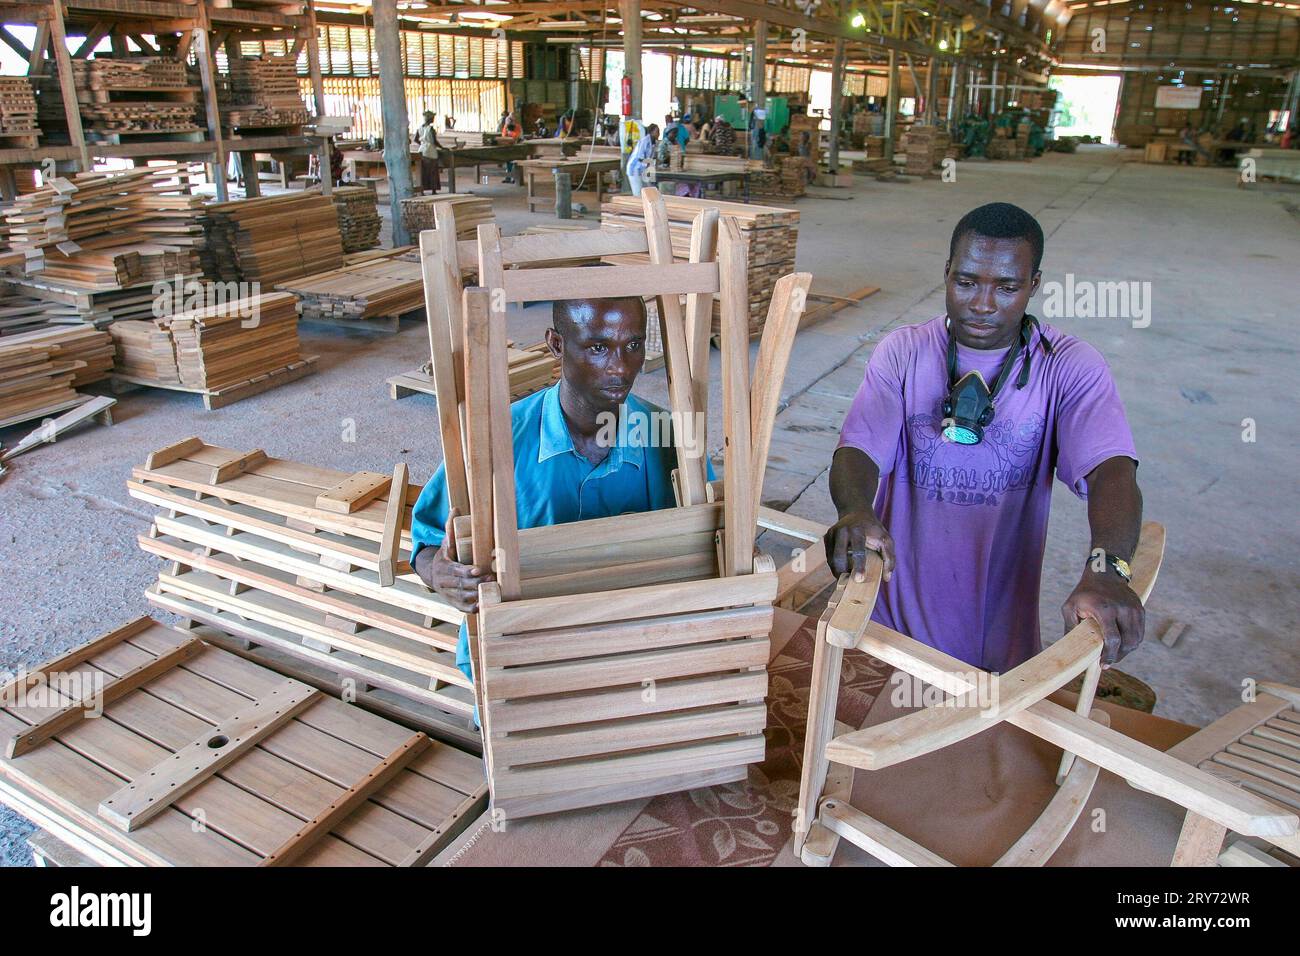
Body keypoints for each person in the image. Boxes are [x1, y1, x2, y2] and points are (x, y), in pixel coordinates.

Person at [825, 202, 1145, 674]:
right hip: (886, 622)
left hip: (997, 638)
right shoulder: (904, 351)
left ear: (1033, 286)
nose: (982, 303)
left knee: (979, 731)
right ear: (948, 272)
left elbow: (1112, 471)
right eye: (967, 281)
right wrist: (855, 509)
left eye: (1007, 287)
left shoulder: (1069, 367)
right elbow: (859, 447)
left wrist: (1109, 566)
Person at [411, 297, 713, 691]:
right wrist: (441, 573)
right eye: (598, 347)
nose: (620, 367)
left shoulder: (672, 439)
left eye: (633, 346)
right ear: (556, 344)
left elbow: (713, 543)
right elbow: (427, 543)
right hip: (520, 657)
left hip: (640, 652)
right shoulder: (494, 440)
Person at [627, 122, 659, 196]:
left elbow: (652, 158)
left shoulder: (654, 143)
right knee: (638, 193)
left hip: (644, 169)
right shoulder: (645, 141)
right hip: (635, 168)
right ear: (651, 132)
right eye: (657, 132)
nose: (658, 134)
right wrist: (651, 163)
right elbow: (640, 158)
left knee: (648, 191)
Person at [413, 110, 441, 194]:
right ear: (430, 119)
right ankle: (433, 190)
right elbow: (435, 142)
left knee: (423, 172)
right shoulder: (430, 129)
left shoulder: (420, 128)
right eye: (433, 118)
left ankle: (422, 191)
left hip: (422, 151)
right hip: (431, 152)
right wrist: (443, 148)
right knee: (433, 172)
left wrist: (423, 144)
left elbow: (415, 140)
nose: (433, 119)